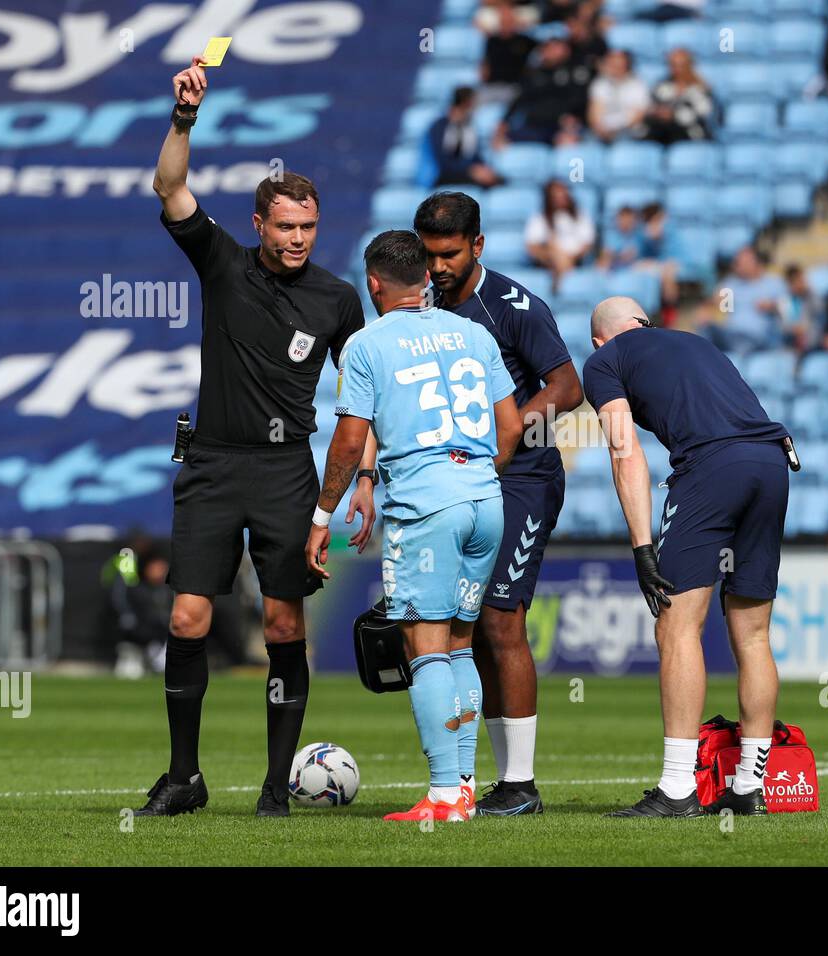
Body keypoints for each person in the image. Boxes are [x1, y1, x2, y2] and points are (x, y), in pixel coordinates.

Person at [139, 55, 366, 818]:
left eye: (309, 227)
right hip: (211, 462)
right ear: (259, 224)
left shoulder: (337, 300)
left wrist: (362, 480)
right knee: (187, 618)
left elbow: (360, 399)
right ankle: (184, 777)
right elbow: (169, 186)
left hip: (284, 473)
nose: (298, 239)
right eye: (286, 226)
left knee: (281, 621)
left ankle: (276, 786)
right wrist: (184, 117)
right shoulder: (223, 264)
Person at [306, 230, 523, 823]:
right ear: (426, 277)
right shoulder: (475, 335)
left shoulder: (367, 344)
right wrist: (470, 473)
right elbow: (510, 429)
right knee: (459, 644)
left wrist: (324, 514)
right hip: (486, 500)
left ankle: (443, 793)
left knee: (423, 648)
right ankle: (465, 788)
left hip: (427, 506)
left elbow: (349, 442)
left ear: (372, 282)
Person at [583, 296, 792, 817]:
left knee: (676, 627)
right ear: (645, 324)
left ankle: (677, 789)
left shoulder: (604, 361)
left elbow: (624, 449)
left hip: (712, 467)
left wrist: (640, 547)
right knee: (755, 633)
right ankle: (748, 785)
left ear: (599, 339)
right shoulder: (694, 342)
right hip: (772, 462)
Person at [414, 192, 583, 816]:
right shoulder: (423, 308)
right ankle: (495, 780)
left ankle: (521, 785)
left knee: (501, 620)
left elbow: (568, 386)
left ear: (477, 246)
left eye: (449, 254)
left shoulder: (514, 307)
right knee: (470, 625)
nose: (437, 267)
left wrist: (504, 431)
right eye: (429, 255)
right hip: (462, 481)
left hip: (524, 478)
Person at [697, 246, 788, 352]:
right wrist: (711, 308)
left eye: (741, 262)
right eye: (736, 262)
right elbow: (722, 310)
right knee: (706, 328)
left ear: (755, 262)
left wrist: (773, 306)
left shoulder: (774, 283)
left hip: (760, 338)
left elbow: (790, 312)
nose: (736, 266)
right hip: (732, 336)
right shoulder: (731, 284)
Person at [524, 179, 597, 291]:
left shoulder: (580, 216)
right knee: (553, 247)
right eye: (556, 196)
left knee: (559, 255)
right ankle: (565, 284)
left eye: (563, 195)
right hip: (549, 261)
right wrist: (551, 256)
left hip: (576, 260)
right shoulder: (540, 218)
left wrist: (569, 257)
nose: (560, 198)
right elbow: (532, 246)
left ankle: (558, 284)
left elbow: (588, 243)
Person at [428, 87, 503, 188]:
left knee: (498, 180)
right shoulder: (439, 127)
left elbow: (476, 157)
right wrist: (470, 170)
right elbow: (443, 162)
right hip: (447, 175)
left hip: (469, 174)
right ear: (467, 103)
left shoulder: (470, 125)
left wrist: (484, 169)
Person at [644, 47, 715, 144]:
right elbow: (652, 106)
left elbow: (703, 113)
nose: (678, 69)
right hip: (664, 134)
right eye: (673, 65)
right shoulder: (662, 86)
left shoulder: (701, 89)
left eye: (682, 65)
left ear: (690, 65)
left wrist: (674, 115)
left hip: (690, 135)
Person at [587, 49, 650, 142]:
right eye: (612, 64)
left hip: (628, 133)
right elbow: (594, 114)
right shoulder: (600, 84)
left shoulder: (638, 85)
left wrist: (615, 131)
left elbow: (638, 116)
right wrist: (601, 130)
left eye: (619, 65)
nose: (615, 68)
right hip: (602, 133)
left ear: (627, 65)